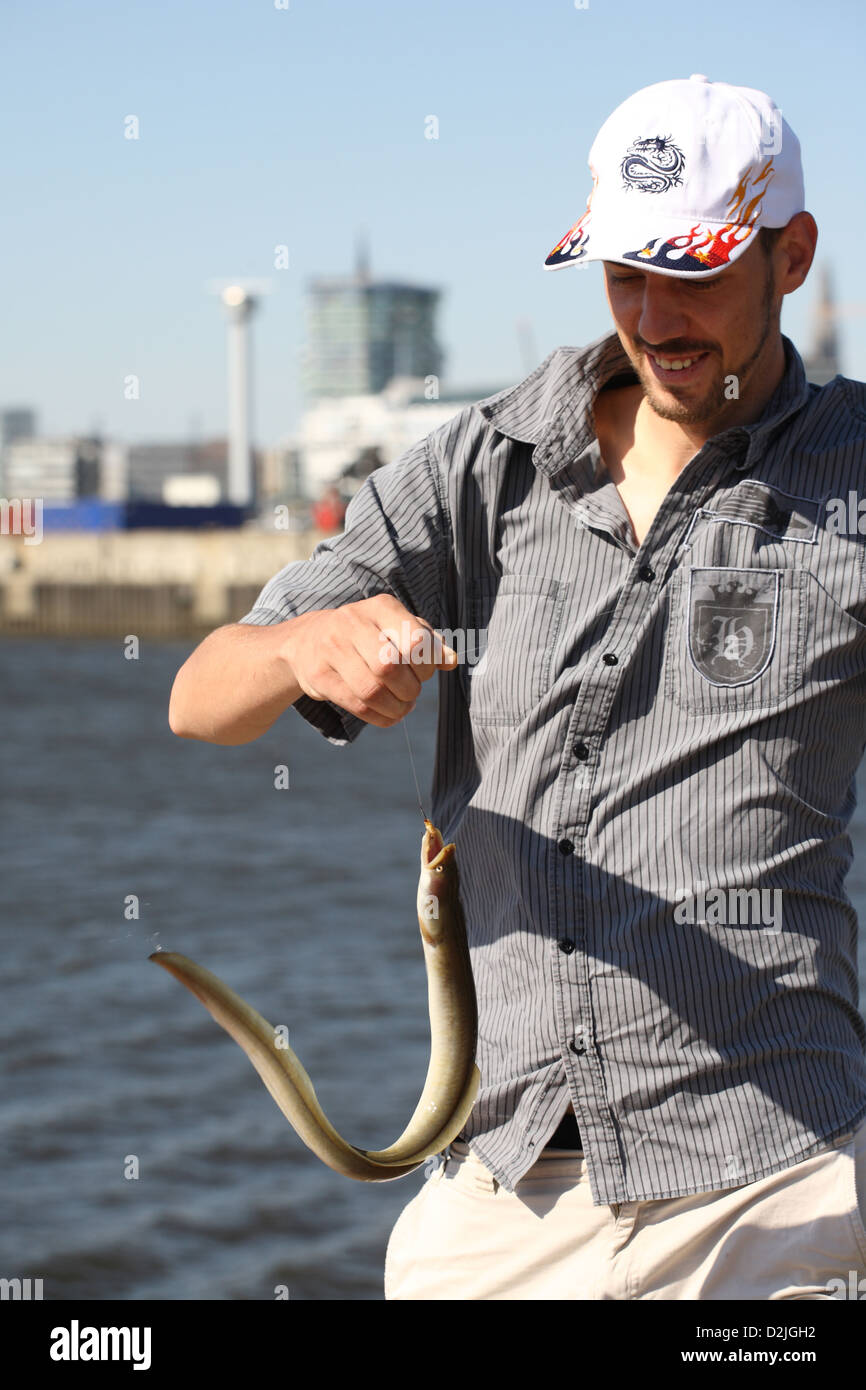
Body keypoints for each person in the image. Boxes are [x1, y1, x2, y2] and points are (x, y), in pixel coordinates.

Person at [169, 75, 866, 1300]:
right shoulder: (478, 464)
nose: (653, 317)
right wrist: (297, 651)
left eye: (692, 272)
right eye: (620, 273)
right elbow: (199, 696)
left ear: (790, 253)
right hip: (493, 1193)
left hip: (774, 1181)